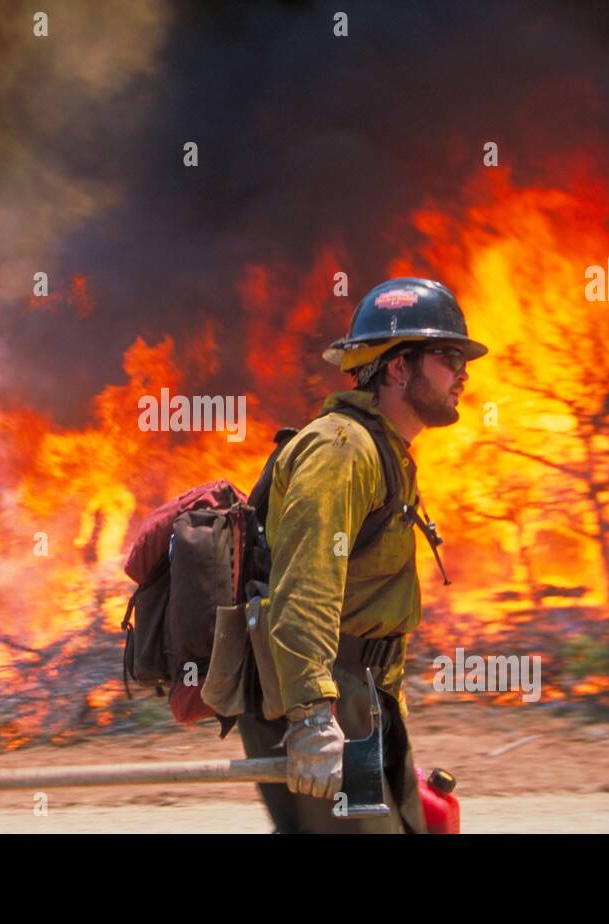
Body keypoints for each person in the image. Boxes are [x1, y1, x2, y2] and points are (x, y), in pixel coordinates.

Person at [237, 277, 487, 833]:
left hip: (361, 698)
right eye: (448, 356)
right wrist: (309, 720)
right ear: (397, 368)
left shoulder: (383, 451)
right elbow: (305, 590)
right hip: (320, 698)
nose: (463, 372)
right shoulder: (341, 451)